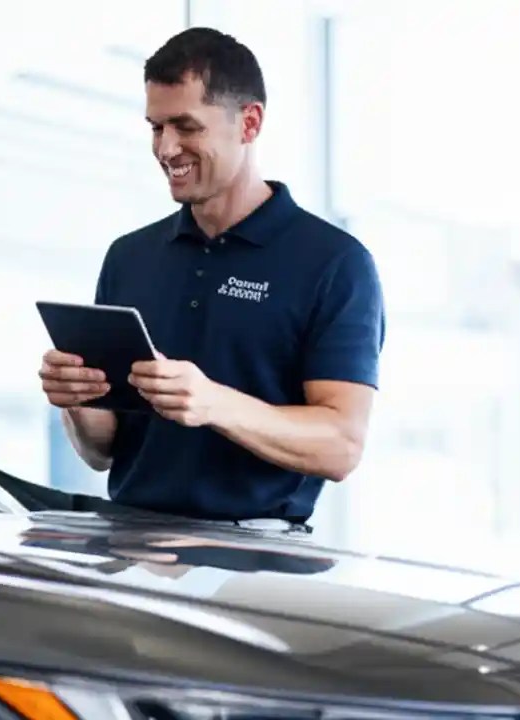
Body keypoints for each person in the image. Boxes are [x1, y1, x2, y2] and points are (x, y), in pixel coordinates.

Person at [38, 27, 385, 525]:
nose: (166, 148)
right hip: (130, 544)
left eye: (187, 126)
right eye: (156, 128)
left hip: (256, 558)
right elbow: (103, 452)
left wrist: (212, 403)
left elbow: (341, 447)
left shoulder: (335, 263)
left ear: (249, 123)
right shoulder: (129, 256)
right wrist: (77, 402)